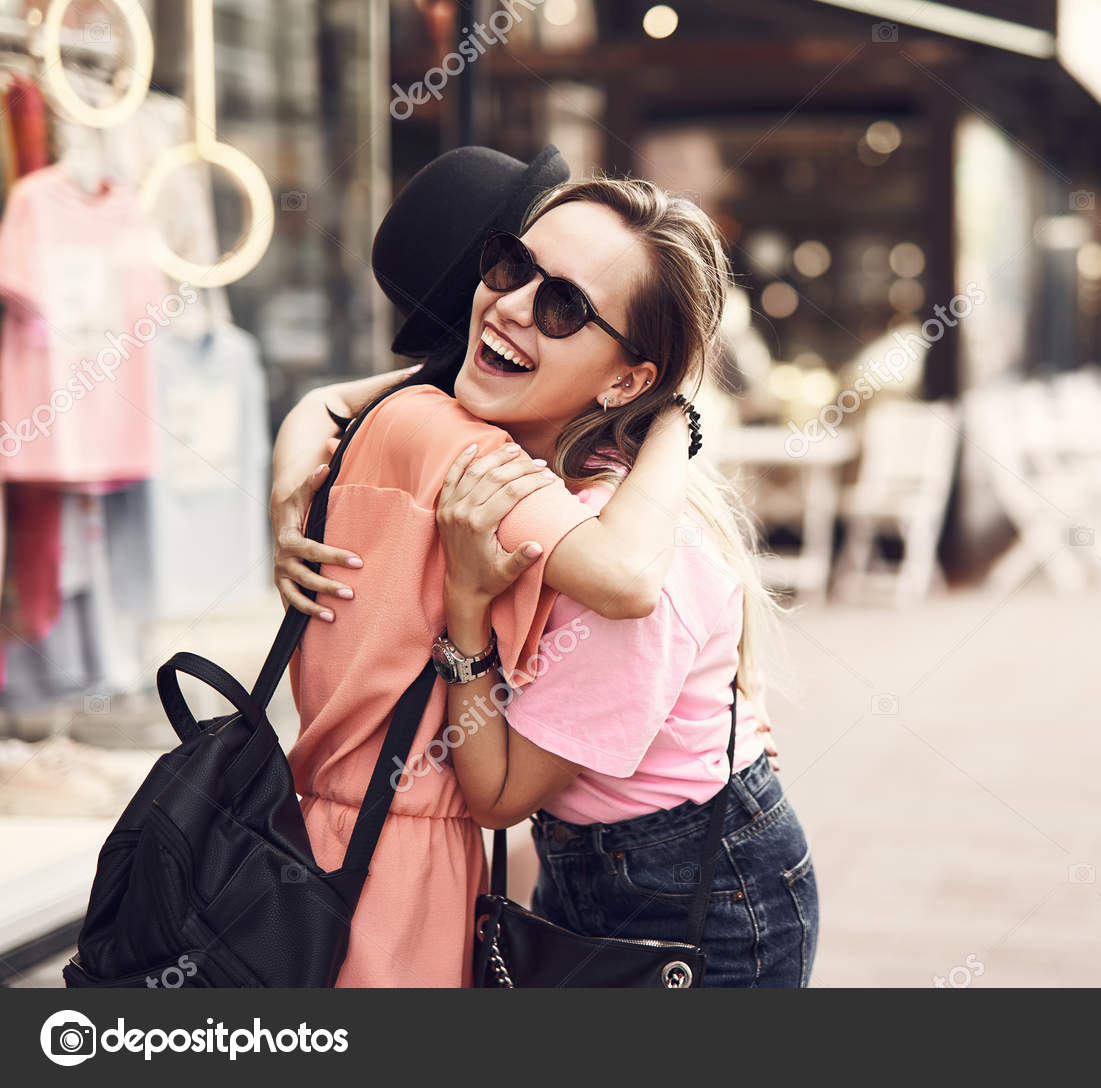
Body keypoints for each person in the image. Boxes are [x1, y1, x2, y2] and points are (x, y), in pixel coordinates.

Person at [273, 171, 813, 986]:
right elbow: (340, 401)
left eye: (564, 307)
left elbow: (498, 797)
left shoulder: (622, 553)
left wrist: (466, 607)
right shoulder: (538, 465)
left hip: (699, 898)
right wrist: (289, 494)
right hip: (599, 863)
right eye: (510, 265)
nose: (513, 305)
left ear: (625, 382)